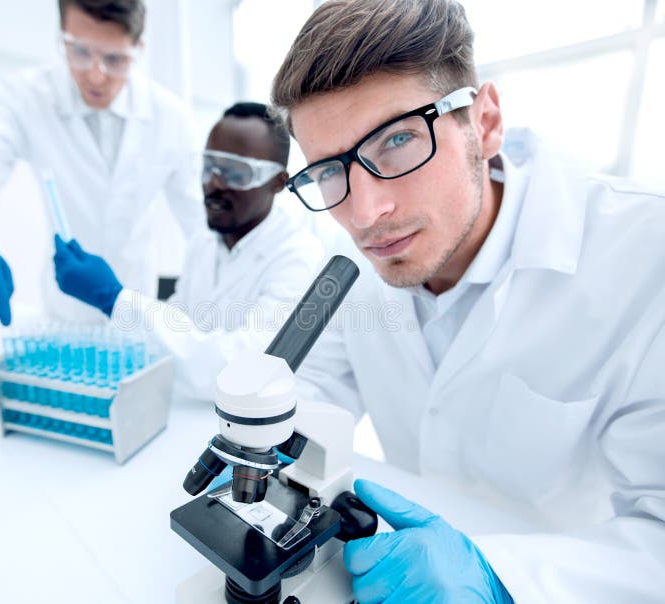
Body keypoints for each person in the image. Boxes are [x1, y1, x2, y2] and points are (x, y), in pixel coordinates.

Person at [270, 0, 665, 602]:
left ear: (483, 122)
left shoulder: (642, 257)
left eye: (397, 141)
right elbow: (320, 389)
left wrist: (501, 578)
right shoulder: (352, 267)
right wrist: (261, 437)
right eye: (327, 171)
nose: (364, 213)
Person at [0, 0, 202, 330]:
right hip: (64, 312)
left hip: (134, 307)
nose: (96, 75)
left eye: (115, 59)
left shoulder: (170, 117)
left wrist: (198, 311)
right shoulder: (29, 95)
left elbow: (204, 222)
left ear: (138, 49)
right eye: (80, 52)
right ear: (63, 37)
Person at [54, 102, 323, 399]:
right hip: (197, 412)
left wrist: (115, 299)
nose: (214, 183)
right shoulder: (205, 242)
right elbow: (177, 322)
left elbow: (244, 369)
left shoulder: (299, 259)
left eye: (236, 174)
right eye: (209, 167)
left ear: (277, 183)